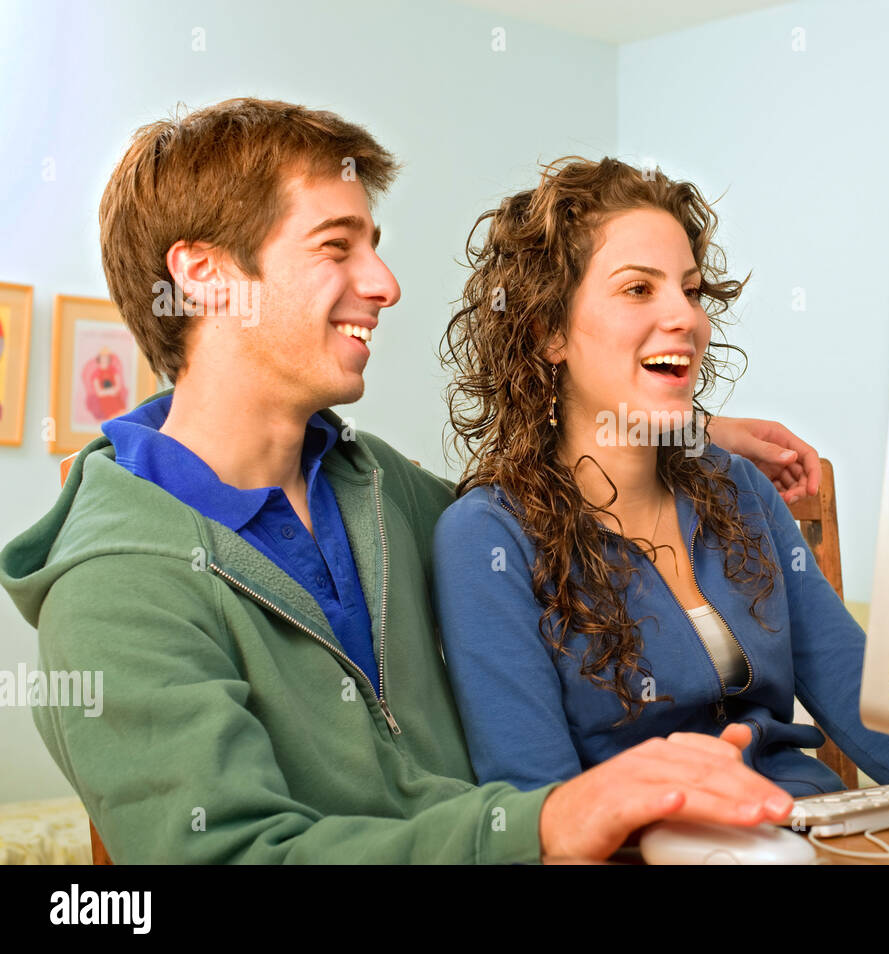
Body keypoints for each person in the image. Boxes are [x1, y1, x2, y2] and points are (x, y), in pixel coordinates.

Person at [0, 99, 835, 863]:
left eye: (376, 248)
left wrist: (675, 426)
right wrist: (542, 823)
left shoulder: (378, 489)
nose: (385, 285)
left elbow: (546, 500)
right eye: (337, 246)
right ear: (204, 275)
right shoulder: (113, 586)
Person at [434, 156, 889, 796]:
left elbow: (861, 691)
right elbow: (538, 801)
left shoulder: (737, 489)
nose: (687, 318)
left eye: (692, 290)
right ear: (548, 331)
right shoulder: (489, 537)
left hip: (812, 827)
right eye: (638, 288)